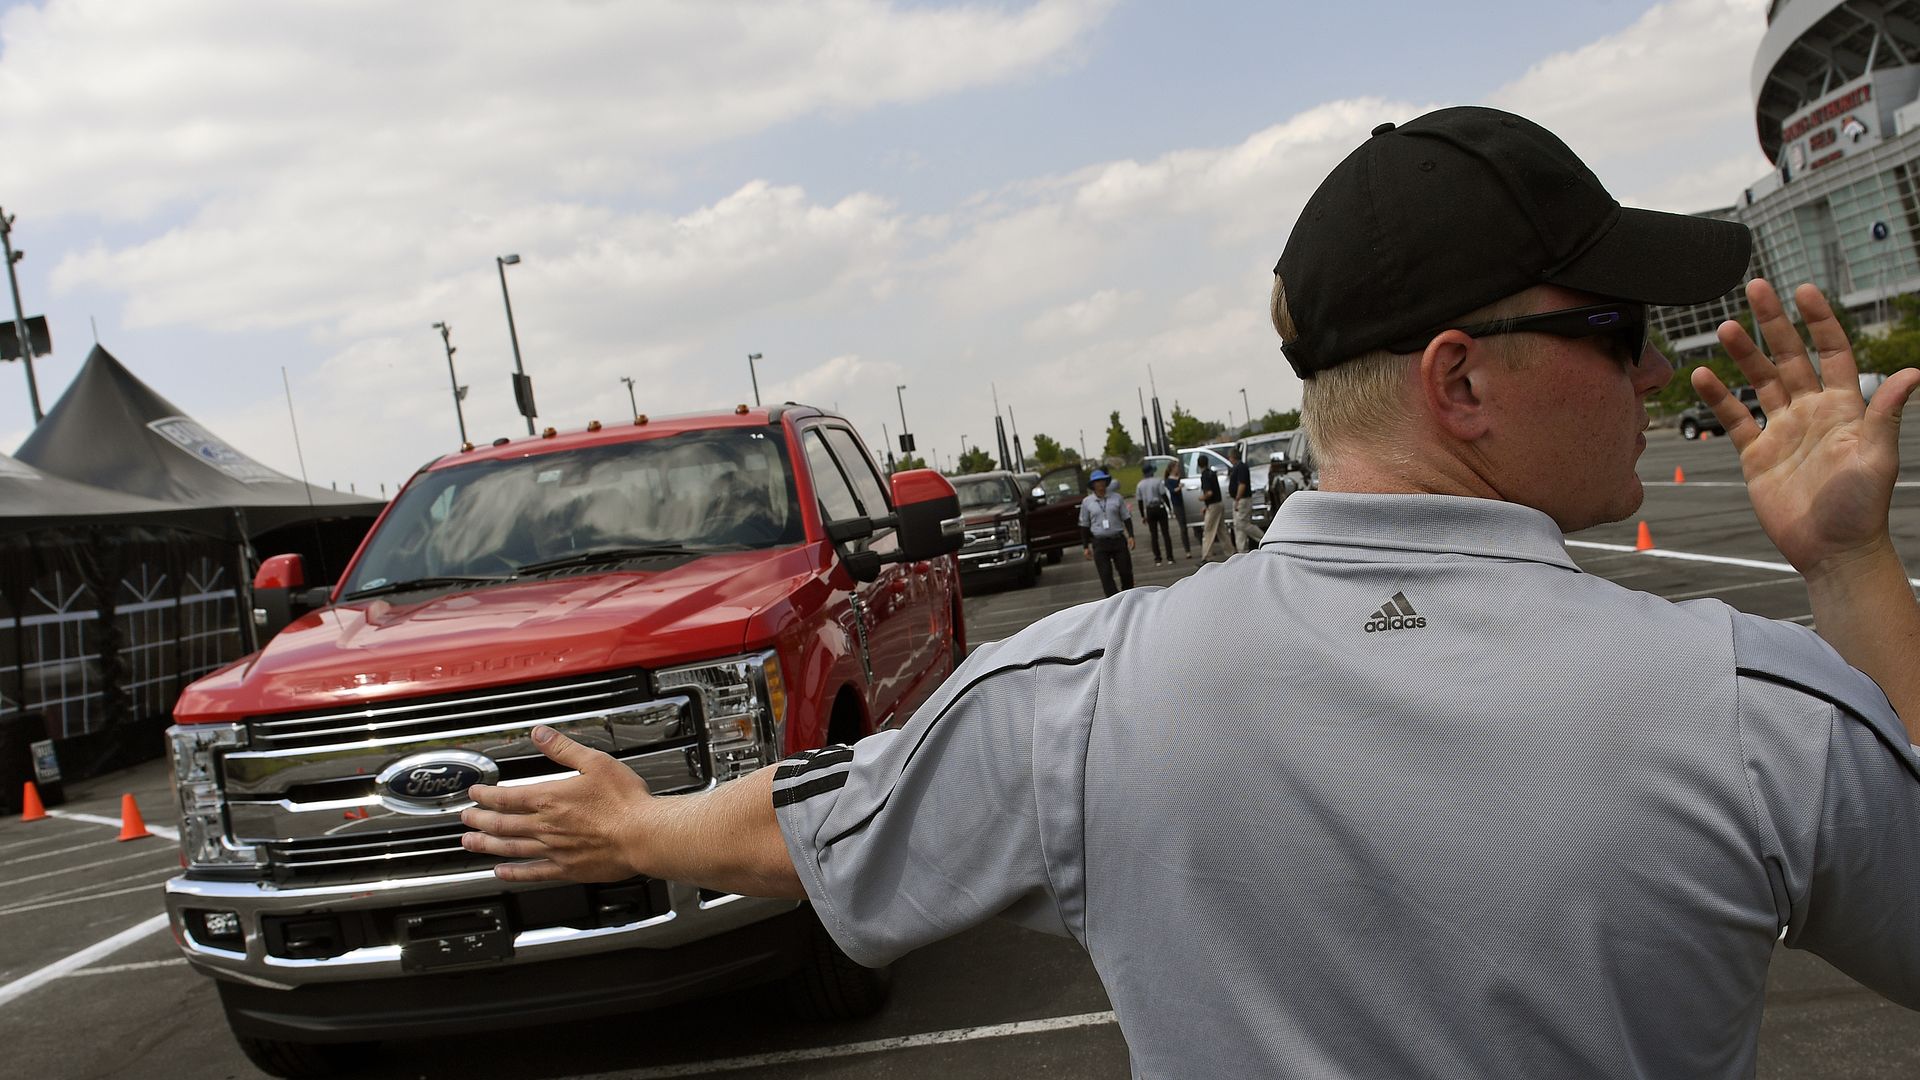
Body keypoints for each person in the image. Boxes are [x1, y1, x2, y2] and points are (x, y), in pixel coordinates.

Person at [462, 106, 1920, 1079]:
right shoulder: (1747, 706)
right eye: (1615, 331)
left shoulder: (1081, 701)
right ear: (1459, 379)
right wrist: (1850, 564)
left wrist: (635, 825)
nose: (1657, 371)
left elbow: (814, 827)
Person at [1076, 468, 1135, 596]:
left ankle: (1128, 597)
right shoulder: (1087, 502)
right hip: (1100, 542)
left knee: (1125, 571)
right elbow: (1084, 525)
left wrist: (1131, 535)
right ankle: (1113, 600)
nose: (1100, 484)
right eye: (1097, 482)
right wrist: (1085, 546)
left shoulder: (1116, 498)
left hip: (1118, 539)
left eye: (1102, 481)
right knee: (1105, 575)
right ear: (1093, 485)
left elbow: (1126, 517)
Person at [1135, 461, 1173, 565]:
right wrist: (1169, 508)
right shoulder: (1158, 481)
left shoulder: (1140, 484)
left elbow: (1139, 501)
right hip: (1160, 508)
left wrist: (1143, 515)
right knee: (1165, 533)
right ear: (1152, 472)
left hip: (1149, 509)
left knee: (1154, 535)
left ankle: (1157, 558)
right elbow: (1164, 495)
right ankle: (1170, 557)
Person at [1226, 446, 1258, 552]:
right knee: (1238, 526)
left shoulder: (1241, 467)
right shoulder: (1237, 467)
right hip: (1239, 499)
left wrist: (1237, 499)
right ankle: (1242, 550)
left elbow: (1242, 484)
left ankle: (1262, 537)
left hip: (1243, 499)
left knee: (1241, 523)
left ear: (1233, 457)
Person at [1195, 456, 1227, 560]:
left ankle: (1206, 556)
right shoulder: (1212, 473)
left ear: (1199, 464)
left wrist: (1201, 498)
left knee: (1208, 531)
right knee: (1222, 531)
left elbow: (1209, 493)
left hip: (1213, 506)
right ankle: (1231, 552)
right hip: (1219, 503)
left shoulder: (1204, 476)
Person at [1162, 458, 1194, 558]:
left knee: (1196, 525)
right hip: (1178, 505)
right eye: (1176, 467)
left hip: (1187, 502)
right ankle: (1187, 550)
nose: (1178, 469)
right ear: (1172, 468)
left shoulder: (1181, 478)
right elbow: (1172, 491)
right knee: (1183, 527)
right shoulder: (1168, 481)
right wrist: (1179, 487)